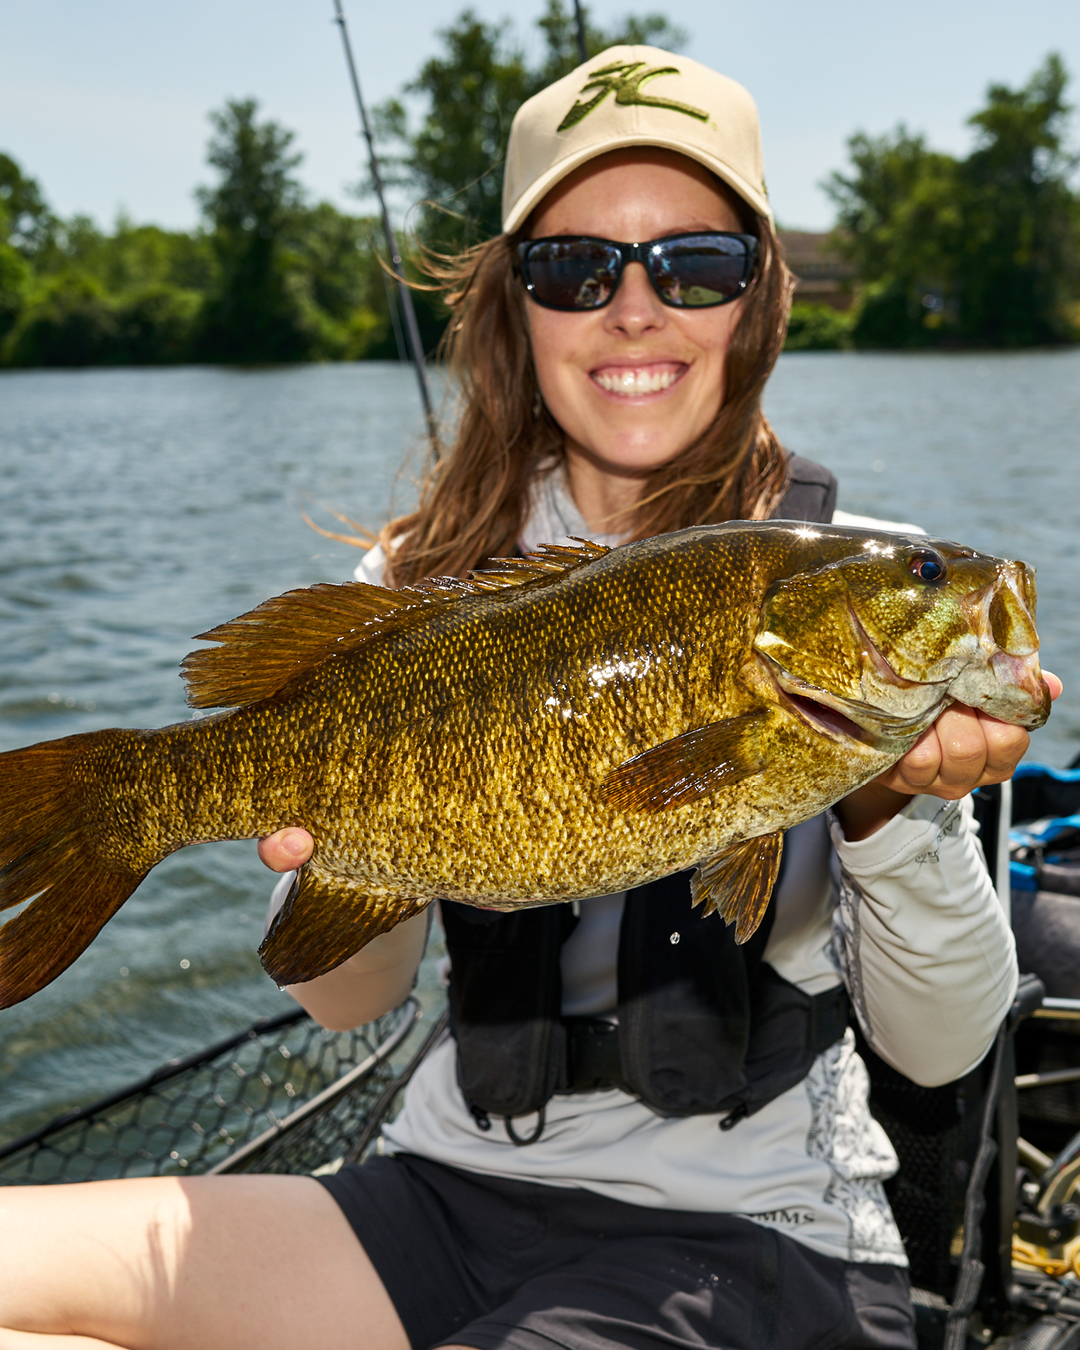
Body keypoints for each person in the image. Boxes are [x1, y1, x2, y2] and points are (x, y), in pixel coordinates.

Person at [0, 46, 1059, 1350]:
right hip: (440, 1194)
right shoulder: (415, 586)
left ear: (758, 297)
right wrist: (346, 853)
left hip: (754, 1238)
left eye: (695, 263)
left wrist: (893, 800)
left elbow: (946, 1049)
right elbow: (342, 998)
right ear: (516, 303)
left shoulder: (859, 601)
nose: (632, 308)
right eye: (573, 268)